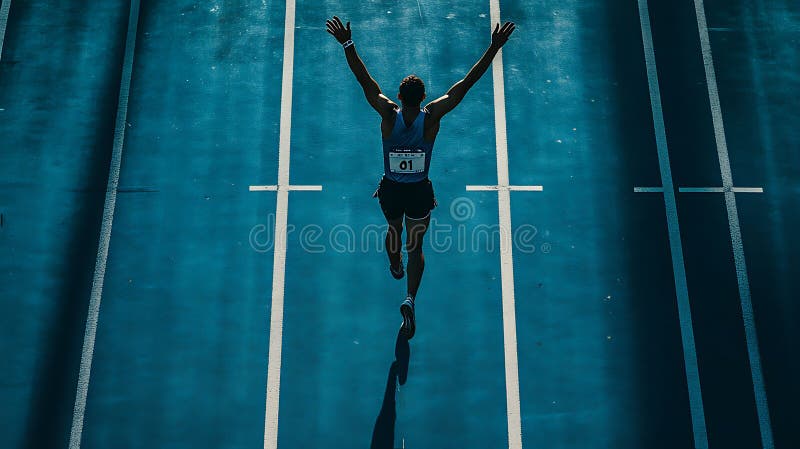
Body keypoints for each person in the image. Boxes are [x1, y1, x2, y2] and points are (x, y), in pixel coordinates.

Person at [326, 16, 516, 339]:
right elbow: (465, 86)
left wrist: (347, 43)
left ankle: (394, 266)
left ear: (399, 97)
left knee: (392, 230)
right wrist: (493, 48)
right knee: (416, 245)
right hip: (418, 193)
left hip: (390, 191)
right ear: (422, 96)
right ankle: (410, 299)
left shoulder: (387, 114)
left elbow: (364, 80)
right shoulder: (432, 118)